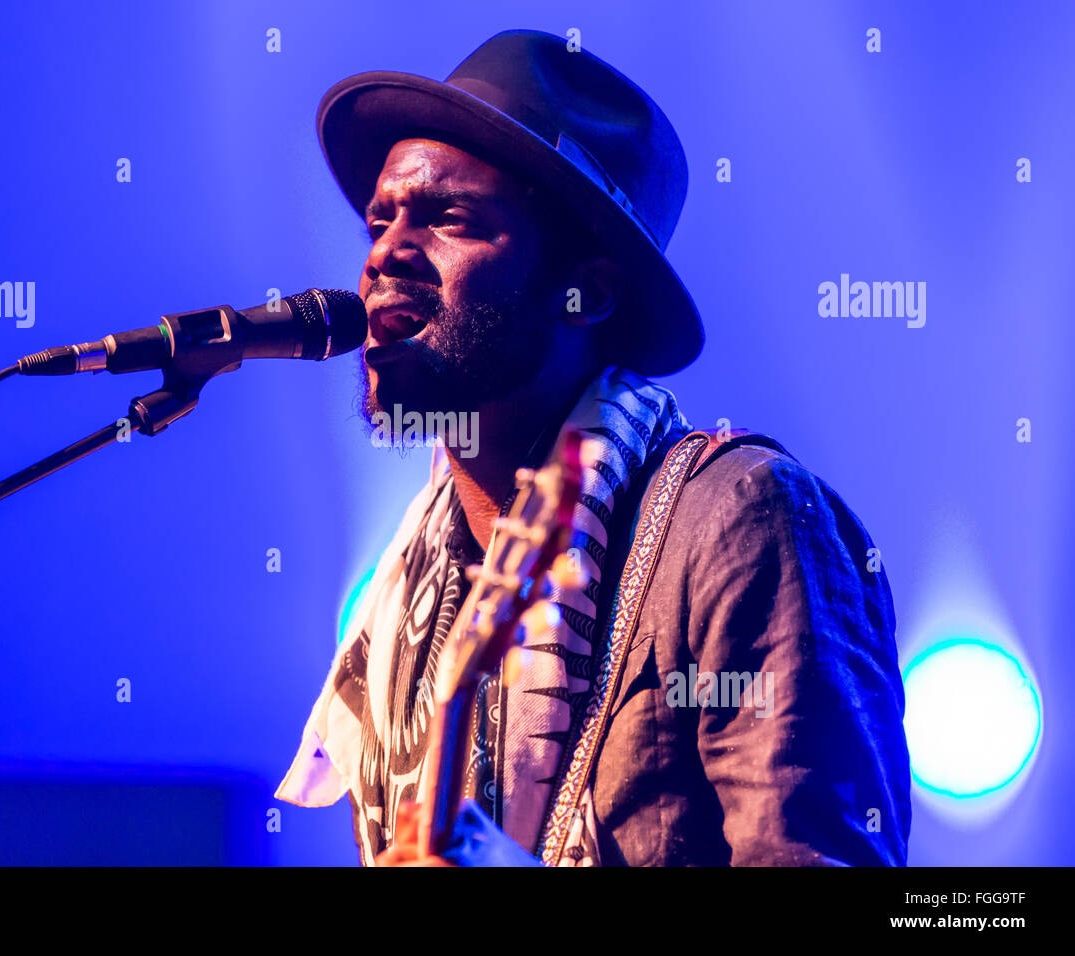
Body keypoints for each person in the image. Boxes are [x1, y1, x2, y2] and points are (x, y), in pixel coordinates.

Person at [276, 29, 910, 867]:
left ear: (588, 293)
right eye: (382, 219)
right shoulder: (413, 590)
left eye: (450, 217)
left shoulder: (743, 521)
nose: (386, 252)